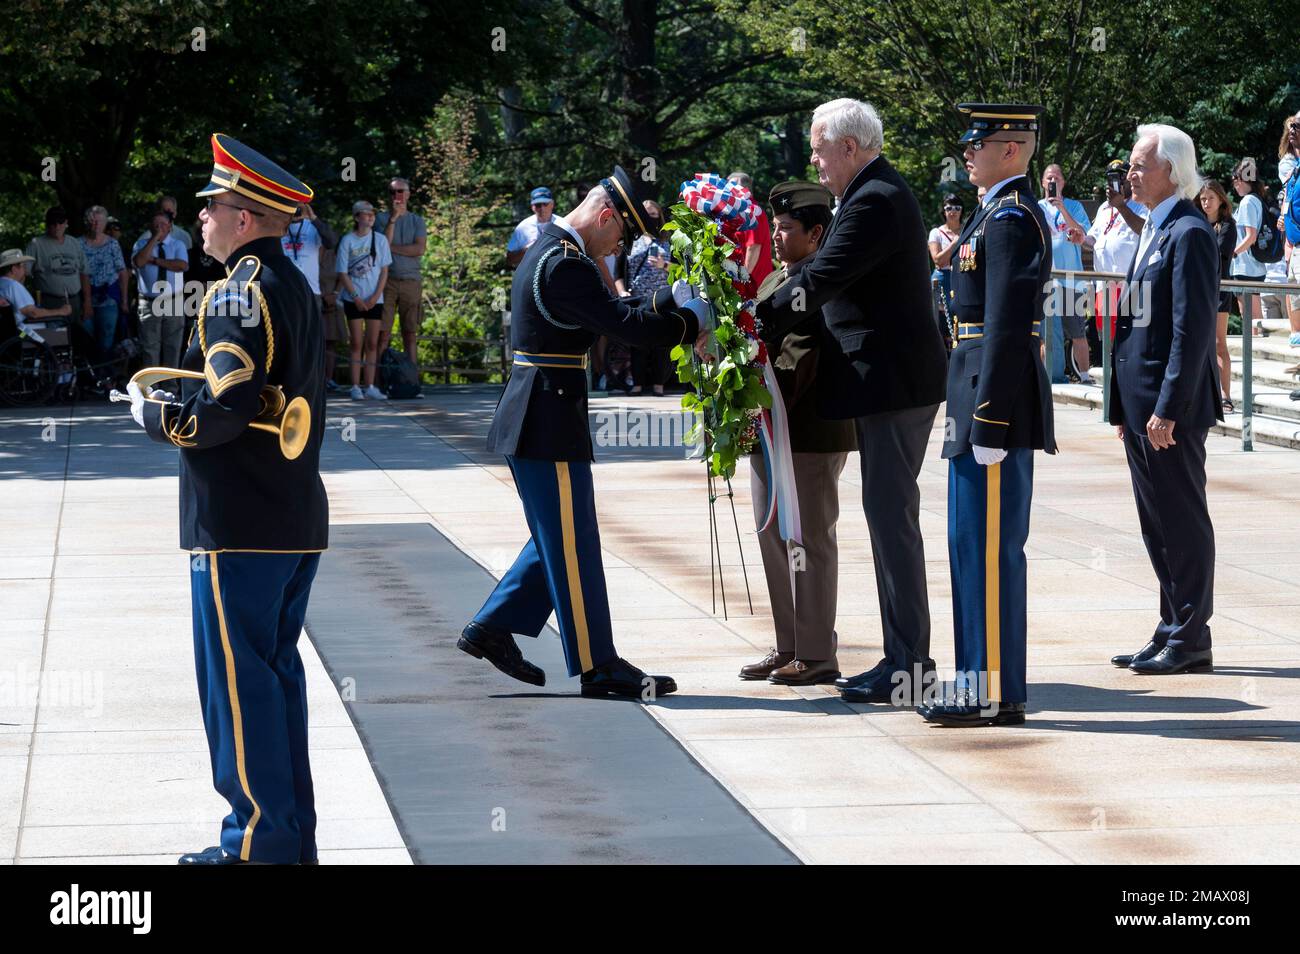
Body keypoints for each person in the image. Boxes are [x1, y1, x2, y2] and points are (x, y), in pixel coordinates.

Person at [123, 133, 327, 864]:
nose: (202, 216)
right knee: (272, 687)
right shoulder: (294, 285)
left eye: (214, 206)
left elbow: (232, 401)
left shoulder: (237, 291)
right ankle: (287, 843)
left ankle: (253, 849)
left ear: (246, 218)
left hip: (239, 521)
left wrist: (160, 417)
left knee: (238, 695)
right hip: (291, 515)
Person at [460, 167, 710, 699]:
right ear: (603, 216)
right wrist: (691, 323)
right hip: (545, 421)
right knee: (573, 541)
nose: (619, 245)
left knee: (560, 535)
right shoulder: (563, 263)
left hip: (542, 417)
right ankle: (599, 666)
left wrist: (670, 300)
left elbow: (616, 311)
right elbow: (627, 329)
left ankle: (493, 627)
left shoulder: (555, 253)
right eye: (621, 234)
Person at [753, 98, 948, 705]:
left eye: (819, 147)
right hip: (885, 385)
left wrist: (755, 315)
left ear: (851, 147)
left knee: (892, 523)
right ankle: (903, 657)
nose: (813, 159)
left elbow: (822, 278)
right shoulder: (866, 195)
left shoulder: (874, 200)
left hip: (894, 385)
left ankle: (910, 664)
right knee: (887, 520)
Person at [916, 103, 1056, 728]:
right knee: (969, 544)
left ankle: (992, 688)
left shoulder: (1011, 220)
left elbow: (1004, 327)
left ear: (1012, 148)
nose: (966, 153)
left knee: (992, 548)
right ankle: (977, 676)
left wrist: (992, 421)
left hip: (990, 405)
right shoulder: (991, 215)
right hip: (971, 395)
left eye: (979, 143)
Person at [1107, 124, 1220, 676]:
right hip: (1142, 407)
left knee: (1181, 519)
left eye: (1138, 166)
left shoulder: (1190, 231)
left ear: (1170, 171)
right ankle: (1171, 623)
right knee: (1157, 523)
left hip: (1167, 410)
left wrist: (1167, 409)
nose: (1129, 174)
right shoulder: (1157, 225)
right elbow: (1134, 325)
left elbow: (1190, 331)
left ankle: (1192, 634)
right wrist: (1122, 409)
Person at [740, 180, 857, 686]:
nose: (778, 236)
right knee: (771, 532)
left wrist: (754, 381)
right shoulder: (770, 284)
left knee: (808, 539)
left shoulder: (823, 281)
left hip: (810, 431)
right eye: (775, 227)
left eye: (787, 228)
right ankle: (788, 642)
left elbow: (802, 358)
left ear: (816, 233)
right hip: (770, 430)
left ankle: (816, 652)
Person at [1081, 159, 1145, 352]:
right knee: (1108, 339)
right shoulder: (1103, 208)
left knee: (1128, 339)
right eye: (1110, 177)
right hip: (1104, 284)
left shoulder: (1140, 203)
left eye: (1119, 176)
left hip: (1127, 283)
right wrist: (1080, 239)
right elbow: (1093, 241)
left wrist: (1121, 207)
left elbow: (1145, 231)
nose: (1114, 182)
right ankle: (1112, 380)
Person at [1038, 164, 1092, 383]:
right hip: (1046, 280)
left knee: (1077, 332)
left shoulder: (1073, 206)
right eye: (1049, 178)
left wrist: (1062, 208)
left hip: (1072, 280)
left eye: (1057, 178)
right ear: (1043, 183)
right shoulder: (1036, 207)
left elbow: (1083, 233)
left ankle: (1086, 376)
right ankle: (1049, 377)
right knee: (1047, 335)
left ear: (1063, 183)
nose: (1053, 181)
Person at [336, 200, 392, 400]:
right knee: (356, 343)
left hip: (375, 298)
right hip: (354, 298)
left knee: (372, 343)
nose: (369, 217)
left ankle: (370, 385)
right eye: (365, 214)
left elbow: (384, 270)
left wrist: (376, 296)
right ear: (357, 217)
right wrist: (356, 297)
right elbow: (342, 272)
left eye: (372, 214)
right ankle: (355, 386)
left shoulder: (381, 240)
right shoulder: (347, 240)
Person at [282, 201, 338, 383]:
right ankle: (288, 377)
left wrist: (313, 218)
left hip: (311, 290)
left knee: (312, 335)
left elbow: (332, 241)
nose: (297, 210)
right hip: (286, 289)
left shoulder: (313, 227)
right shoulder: (280, 226)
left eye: (300, 206)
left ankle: (313, 378)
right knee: (287, 335)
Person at [130, 208, 189, 371]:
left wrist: (155, 260)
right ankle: (151, 389)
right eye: (156, 225)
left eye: (163, 224)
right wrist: (154, 238)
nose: (159, 228)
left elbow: (181, 265)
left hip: (173, 301)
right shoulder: (141, 244)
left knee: (173, 347)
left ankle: (170, 388)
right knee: (149, 348)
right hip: (149, 302)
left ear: (170, 226)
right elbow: (140, 262)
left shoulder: (178, 245)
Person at [375, 177, 427, 361]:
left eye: (401, 191)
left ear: (408, 194)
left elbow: (419, 249)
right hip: (386, 282)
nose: (397, 195)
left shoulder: (417, 221)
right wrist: (394, 219)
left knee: (410, 334)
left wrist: (392, 248)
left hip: (411, 282)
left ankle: (412, 380)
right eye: (393, 192)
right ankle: (377, 384)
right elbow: (382, 246)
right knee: (382, 335)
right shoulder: (380, 218)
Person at [625, 199, 672, 395]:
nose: (650, 218)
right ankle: (637, 383)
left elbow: (681, 271)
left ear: (659, 217)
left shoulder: (668, 240)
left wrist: (665, 266)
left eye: (653, 214)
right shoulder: (630, 239)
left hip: (662, 297)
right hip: (638, 297)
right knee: (638, 342)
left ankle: (658, 384)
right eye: (646, 214)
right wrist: (621, 290)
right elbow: (621, 270)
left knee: (661, 343)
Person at [1199, 180, 1237, 412]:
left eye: (1210, 198)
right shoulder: (1198, 221)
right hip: (1199, 288)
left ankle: (1225, 395)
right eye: (1203, 199)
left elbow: (1219, 255)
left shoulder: (1228, 225)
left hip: (1219, 289)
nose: (1206, 203)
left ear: (1221, 199)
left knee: (1218, 342)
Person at [25, 206, 90, 325]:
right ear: (47, 224)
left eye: (60, 222)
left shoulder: (74, 243)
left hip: (75, 300)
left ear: (66, 223)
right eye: (52, 223)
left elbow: (84, 272)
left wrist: (87, 302)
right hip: (49, 302)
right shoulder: (36, 244)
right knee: (55, 339)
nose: (57, 226)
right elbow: (23, 274)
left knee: (77, 339)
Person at [79, 205, 129, 354]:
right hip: (84, 298)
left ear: (105, 223)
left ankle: (105, 372)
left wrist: (124, 300)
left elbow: (122, 272)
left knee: (107, 338)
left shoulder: (113, 244)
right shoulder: (77, 243)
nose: (96, 225)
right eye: (93, 221)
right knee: (86, 338)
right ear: (87, 222)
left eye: (99, 221)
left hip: (108, 298)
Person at [1229, 158, 1268, 326]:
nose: (1234, 183)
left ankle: (1254, 351)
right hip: (1250, 266)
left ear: (1245, 179)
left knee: (1251, 317)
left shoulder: (1247, 202)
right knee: (1251, 316)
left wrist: (1232, 254)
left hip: (1246, 267)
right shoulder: (1255, 199)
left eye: (1236, 179)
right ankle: (1254, 350)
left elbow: (1250, 236)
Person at [724, 171, 775, 299]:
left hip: (755, 286)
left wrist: (743, 281)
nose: (726, 191)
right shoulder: (740, 211)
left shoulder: (750, 210)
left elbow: (753, 247)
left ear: (744, 189)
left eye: (731, 187)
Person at [0, 249, 73, 334]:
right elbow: (33, 313)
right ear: (14, 269)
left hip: (13, 332)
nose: (25, 270)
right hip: (27, 333)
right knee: (71, 328)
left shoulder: (3, 283)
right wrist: (62, 311)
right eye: (23, 266)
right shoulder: (13, 285)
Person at [928, 193, 963, 322]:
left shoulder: (967, 230)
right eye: (949, 208)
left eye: (957, 208)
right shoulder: (936, 233)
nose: (953, 211)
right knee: (939, 321)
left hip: (962, 277)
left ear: (961, 210)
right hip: (941, 280)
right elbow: (938, 260)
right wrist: (954, 244)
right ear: (943, 211)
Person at [506, 186, 560, 269]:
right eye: (538, 205)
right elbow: (510, 260)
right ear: (532, 207)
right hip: (531, 276)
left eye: (545, 204)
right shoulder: (522, 228)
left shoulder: (562, 224)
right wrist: (527, 250)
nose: (542, 208)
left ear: (552, 204)